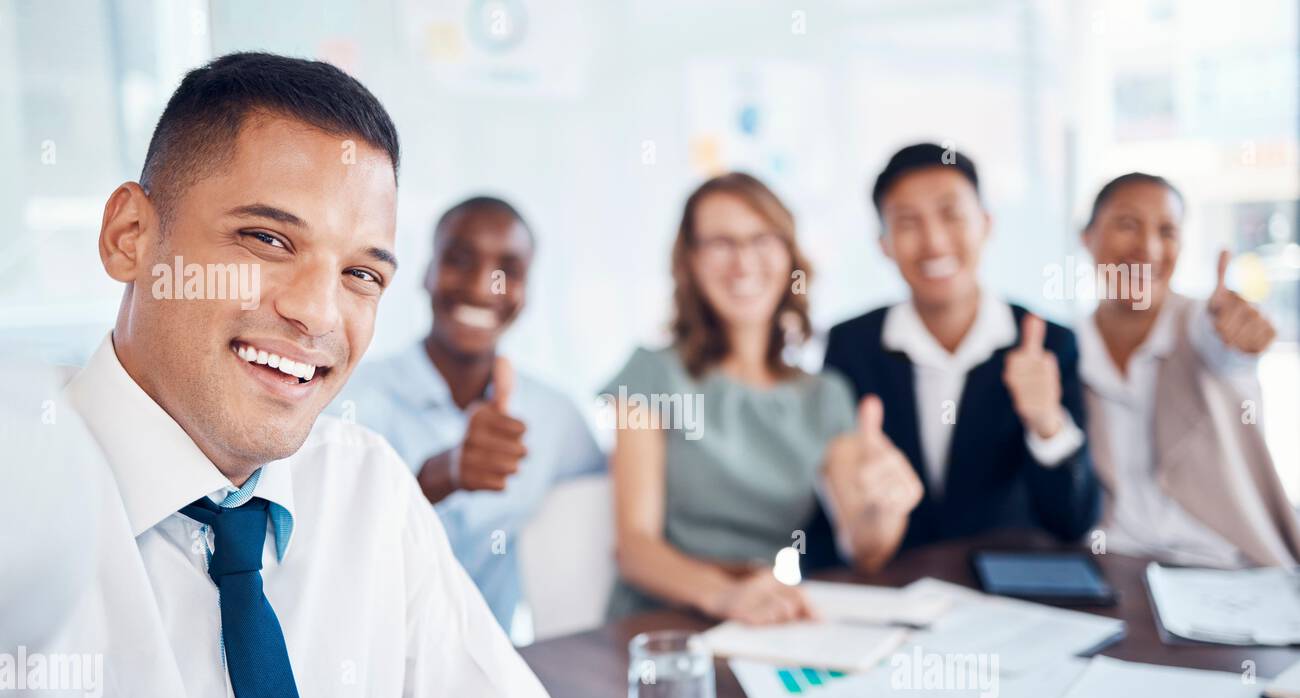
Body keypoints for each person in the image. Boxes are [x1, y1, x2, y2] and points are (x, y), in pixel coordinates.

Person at [0, 52, 608, 698]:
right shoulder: (23, 493)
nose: (319, 314)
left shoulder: (365, 492)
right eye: (267, 238)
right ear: (130, 236)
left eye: (361, 274)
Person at [809, 143, 1100, 572]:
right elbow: (836, 517)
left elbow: (1072, 522)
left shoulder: (1048, 343)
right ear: (884, 244)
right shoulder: (851, 344)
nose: (934, 241)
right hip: (893, 585)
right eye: (908, 222)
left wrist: (1047, 424)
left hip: (1009, 590)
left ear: (985, 224)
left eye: (951, 215)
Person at [601, 172, 878, 623]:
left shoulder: (825, 395)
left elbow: (864, 546)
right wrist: (724, 597)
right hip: (666, 621)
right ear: (689, 261)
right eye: (720, 243)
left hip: (771, 618)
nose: (743, 262)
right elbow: (635, 547)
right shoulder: (651, 375)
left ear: (789, 254)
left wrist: (884, 509)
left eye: (762, 239)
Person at [335, 197, 604, 634]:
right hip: (362, 654)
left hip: (492, 662)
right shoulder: (347, 398)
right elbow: (320, 543)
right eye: (459, 259)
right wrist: (440, 476)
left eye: (508, 271)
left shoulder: (554, 417)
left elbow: (607, 512)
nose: (483, 287)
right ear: (425, 273)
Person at [1077, 172, 1299, 567]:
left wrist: (1238, 336)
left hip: (1220, 565)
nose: (1147, 248)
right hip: (1113, 563)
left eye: (1167, 231)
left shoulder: (1203, 324)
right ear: (1087, 237)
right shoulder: (1070, 346)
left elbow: (1227, 352)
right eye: (1128, 224)